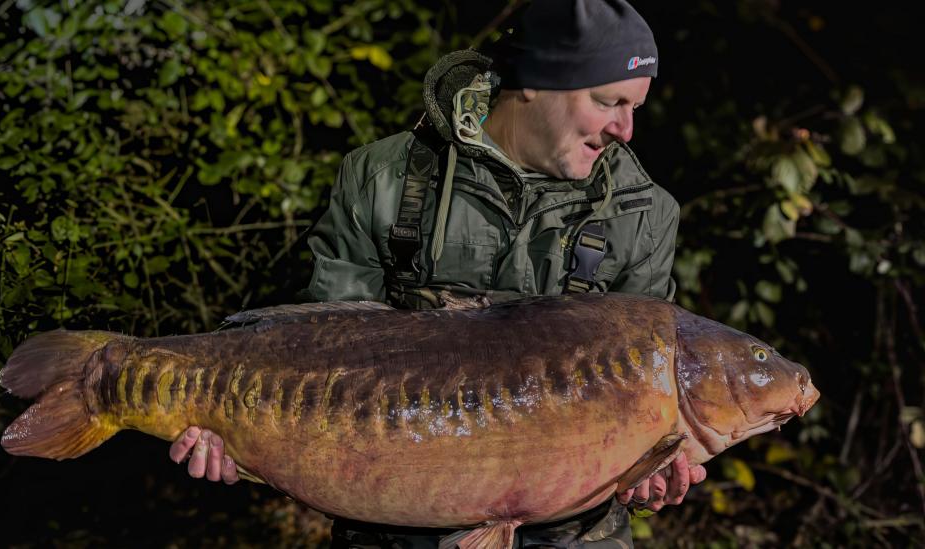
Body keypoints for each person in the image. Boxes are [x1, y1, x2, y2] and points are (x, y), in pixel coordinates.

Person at [169, 0, 707, 546]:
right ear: (536, 82)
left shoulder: (644, 215)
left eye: (634, 107)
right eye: (608, 101)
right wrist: (240, 433)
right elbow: (316, 359)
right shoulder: (383, 179)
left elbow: (643, 417)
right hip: (392, 519)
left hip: (572, 534)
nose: (626, 129)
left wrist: (650, 475)